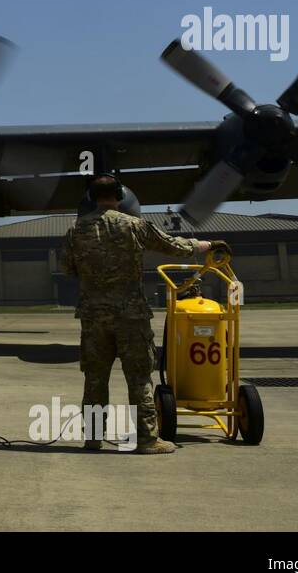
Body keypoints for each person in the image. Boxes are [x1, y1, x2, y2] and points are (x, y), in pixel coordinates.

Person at [60, 174, 217, 454]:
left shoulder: (76, 230)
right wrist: (203, 246)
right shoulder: (134, 225)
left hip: (93, 316)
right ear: (119, 195)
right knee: (139, 377)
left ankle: (93, 438)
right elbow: (174, 247)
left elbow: (68, 269)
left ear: (90, 198)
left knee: (95, 378)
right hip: (130, 314)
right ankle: (146, 439)